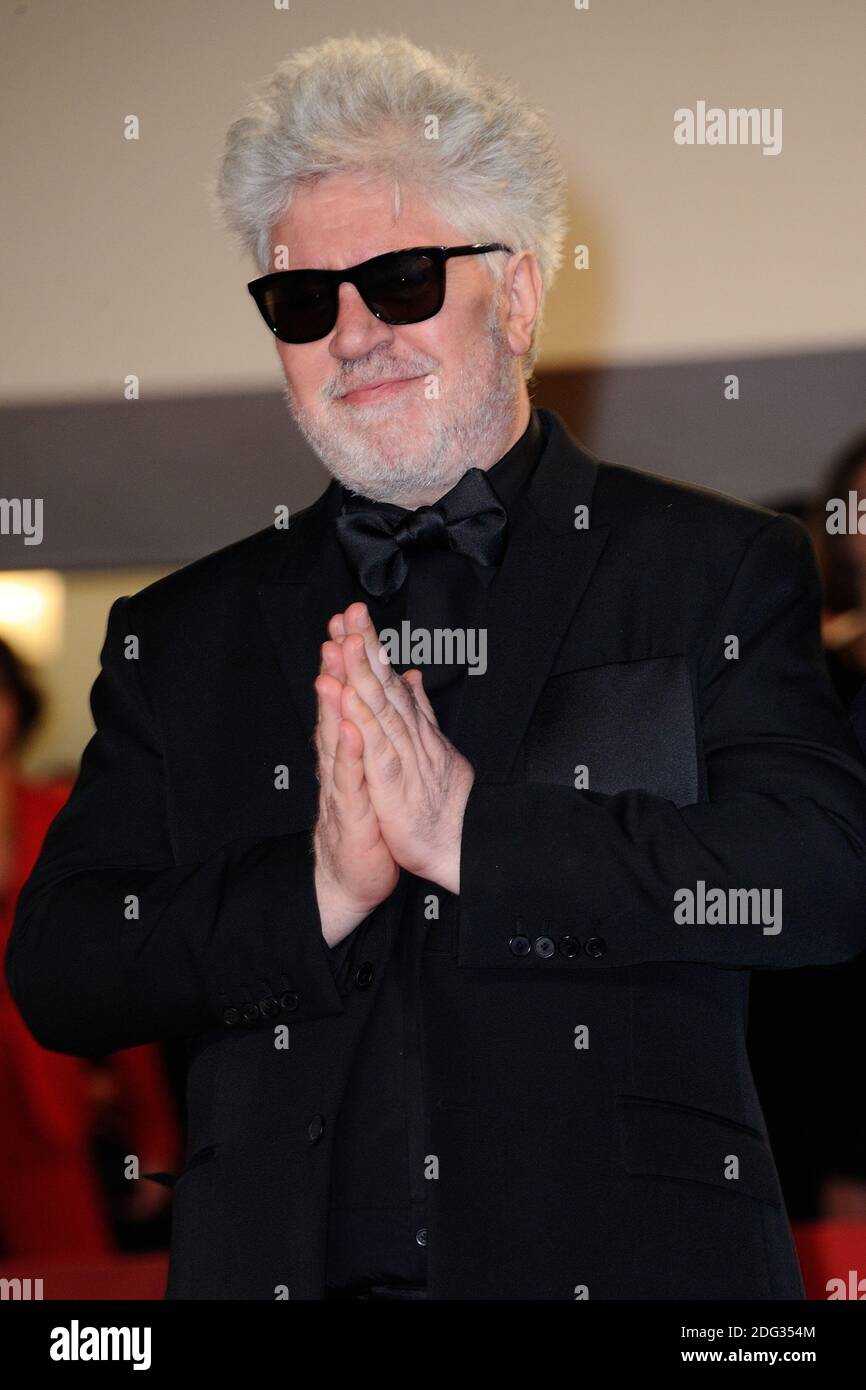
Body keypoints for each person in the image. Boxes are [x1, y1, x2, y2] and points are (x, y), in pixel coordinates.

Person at [7, 33, 866, 1300]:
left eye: (401, 279)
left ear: (515, 295)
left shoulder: (712, 566)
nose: (351, 333)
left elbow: (818, 875)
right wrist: (311, 888)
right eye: (303, 300)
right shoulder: (182, 632)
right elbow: (64, 966)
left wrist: (479, 835)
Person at [0, 638, 180, 1255]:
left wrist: (153, 1130)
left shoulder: (57, 815)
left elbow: (112, 972)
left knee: (69, 1282)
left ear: (17, 706)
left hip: (46, 1100)